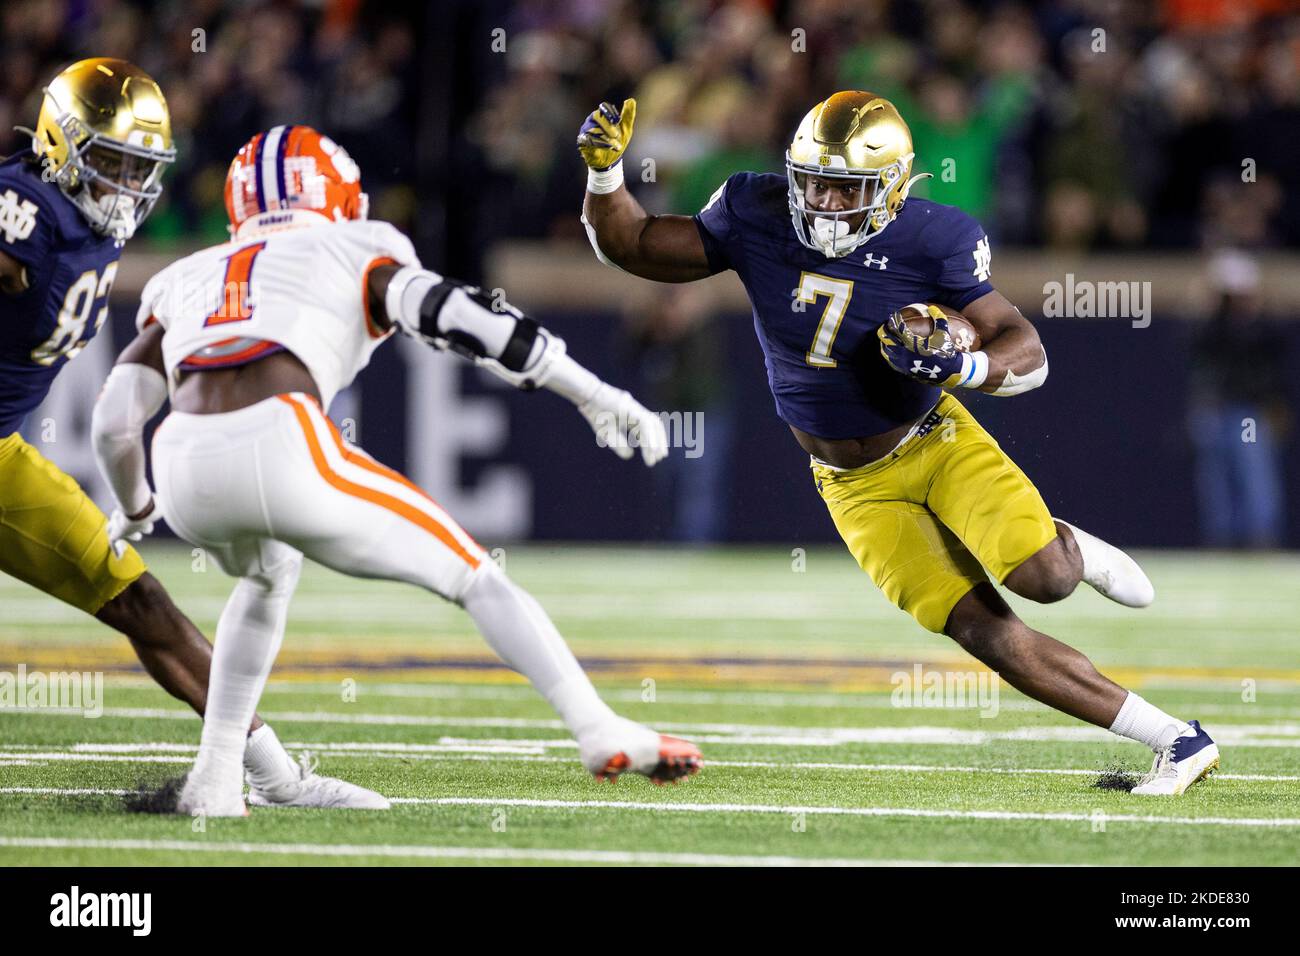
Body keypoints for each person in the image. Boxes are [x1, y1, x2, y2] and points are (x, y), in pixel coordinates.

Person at [576, 91, 1219, 796]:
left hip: (932, 437)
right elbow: (632, 245)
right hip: (848, 483)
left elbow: (1026, 350)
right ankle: (1175, 739)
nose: (820, 200)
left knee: (1048, 580)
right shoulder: (753, 211)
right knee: (981, 631)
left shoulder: (932, 237)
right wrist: (606, 177)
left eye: (841, 187)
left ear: (888, 187)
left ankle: (1063, 541)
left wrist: (964, 365)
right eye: (811, 181)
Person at [92, 125, 702, 817]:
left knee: (266, 575)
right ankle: (597, 728)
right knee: (475, 575)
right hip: (281, 437)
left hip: (180, 463)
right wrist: (597, 394)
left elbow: (114, 418)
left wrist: (137, 505)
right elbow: (465, 319)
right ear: (339, 193)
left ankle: (216, 777)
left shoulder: (187, 274)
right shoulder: (355, 243)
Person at [1, 58, 379, 809]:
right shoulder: (24, 206)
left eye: (137, 168)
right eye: (109, 163)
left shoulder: (72, 213)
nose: (124, 186)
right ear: (60, 143)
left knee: (139, 601)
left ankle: (273, 775)